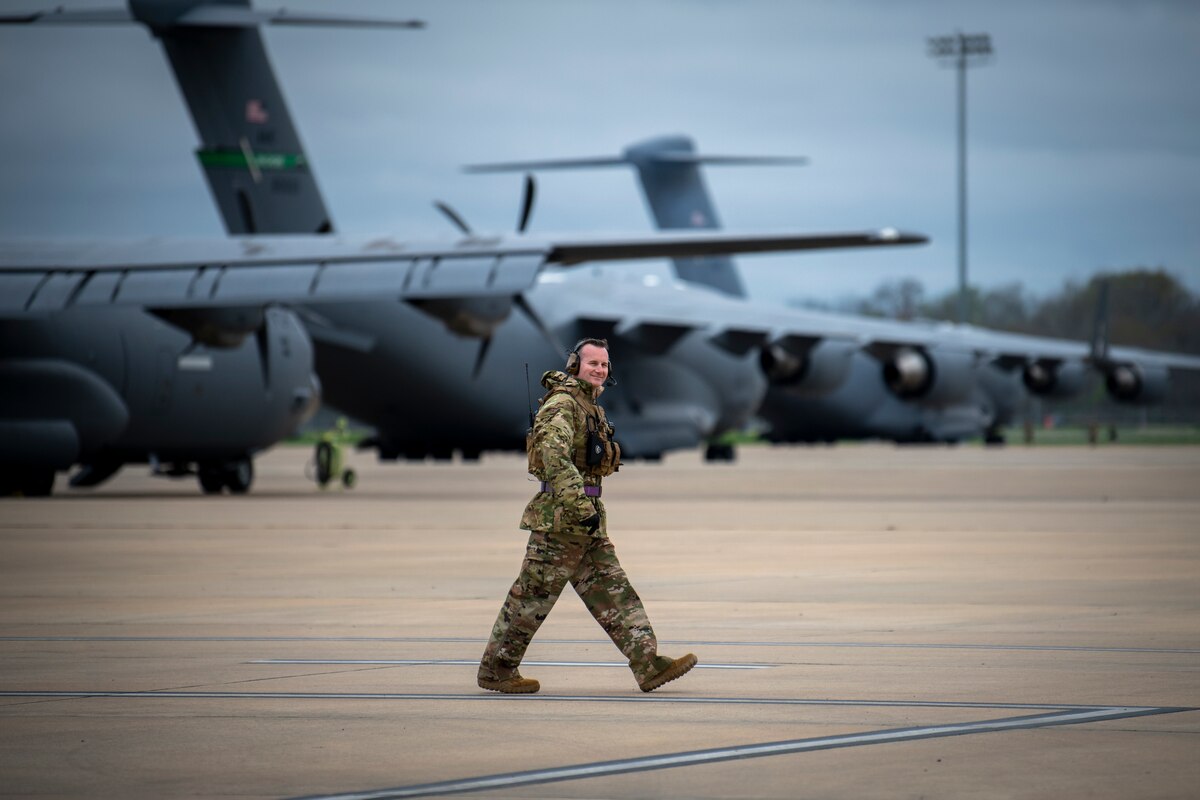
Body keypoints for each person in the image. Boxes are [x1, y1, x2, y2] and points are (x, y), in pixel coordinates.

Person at [477, 338, 697, 694]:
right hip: (561, 521)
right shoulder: (563, 405)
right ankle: (496, 670)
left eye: (604, 365)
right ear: (574, 365)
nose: (599, 369)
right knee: (531, 599)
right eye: (592, 363)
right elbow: (553, 458)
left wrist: (588, 510)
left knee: (615, 591)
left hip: (586, 520)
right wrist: (581, 508)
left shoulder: (589, 406)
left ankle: (648, 663)